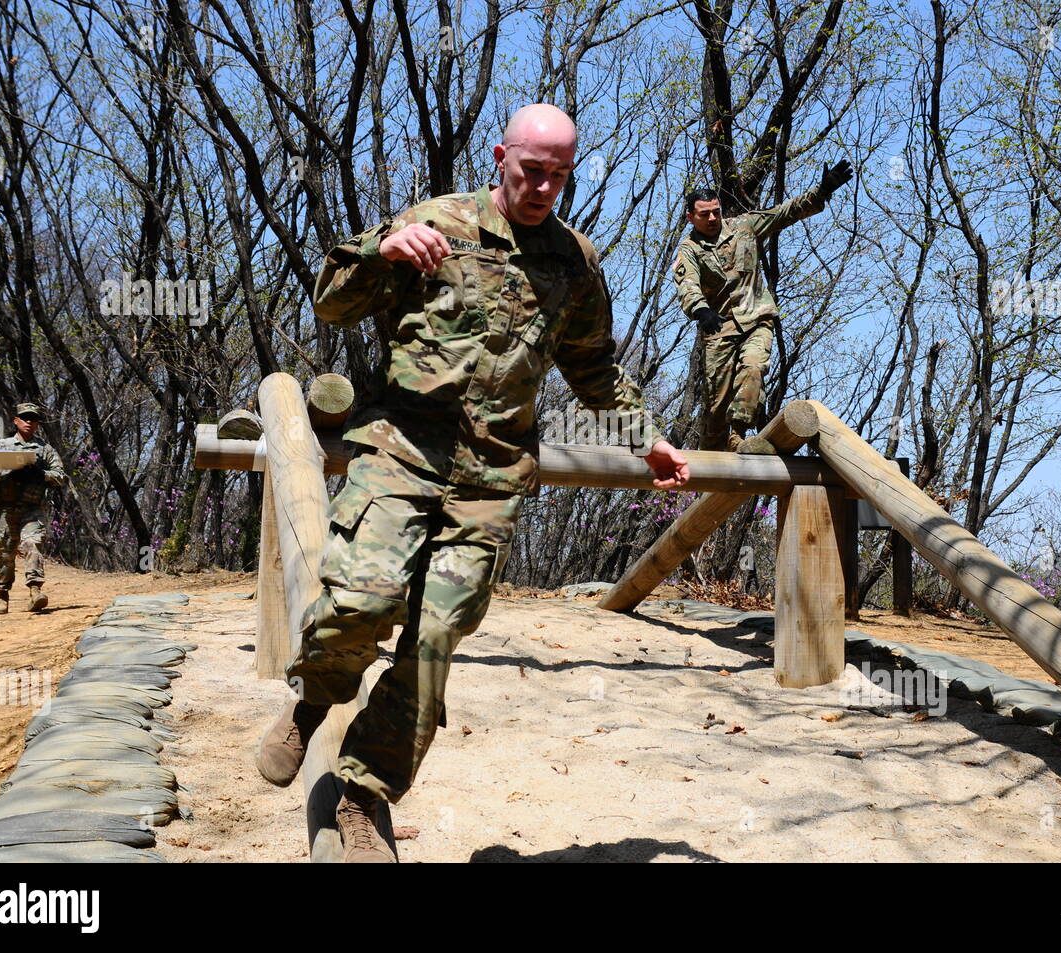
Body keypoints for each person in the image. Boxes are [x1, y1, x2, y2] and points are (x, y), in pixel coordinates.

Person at [255, 103, 691, 861]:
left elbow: (593, 368)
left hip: (489, 478)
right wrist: (381, 249)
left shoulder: (573, 263)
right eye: (532, 170)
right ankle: (316, 697)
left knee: (435, 638)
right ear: (501, 156)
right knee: (362, 600)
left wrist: (646, 437)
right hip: (401, 450)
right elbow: (332, 302)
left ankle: (363, 792)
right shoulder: (436, 222)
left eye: (560, 175)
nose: (545, 187)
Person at [672, 162, 854, 451]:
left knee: (754, 367)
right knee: (716, 403)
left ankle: (738, 435)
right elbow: (687, 283)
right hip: (720, 327)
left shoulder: (744, 226)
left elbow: (785, 212)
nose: (712, 218)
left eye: (716, 211)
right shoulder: (689, 250)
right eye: (704, 214)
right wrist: (700, 309)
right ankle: (711, 456)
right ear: (690, 217)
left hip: (757, 318)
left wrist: (823, 190)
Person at [0, 403, 66, 614]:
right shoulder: (2, 446)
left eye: (33, 419)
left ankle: (35, 591)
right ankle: (2, 596)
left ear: (37, 424)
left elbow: (60, 476)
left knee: (32, 544)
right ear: (16, 420)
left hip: (32, 508)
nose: (29, 422)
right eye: (25, 418)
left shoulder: (44, 449)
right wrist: (10, 469)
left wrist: (41, 474)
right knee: (5, 554)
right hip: (8, 510)